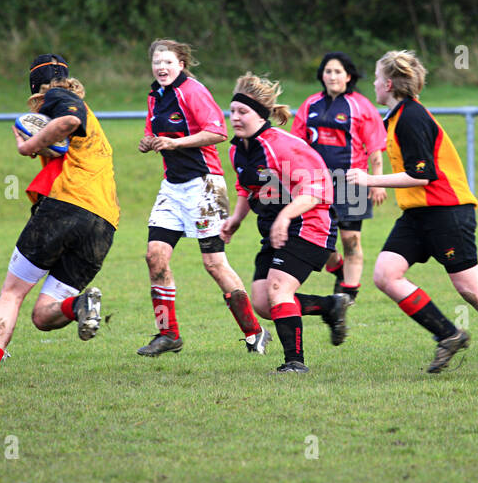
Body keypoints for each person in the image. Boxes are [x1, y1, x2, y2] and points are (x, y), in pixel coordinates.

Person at [347, 51, 478, 377]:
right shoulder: (395, 117)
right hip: (417, 214)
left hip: (447, 212)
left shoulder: (411, 117)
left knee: (470, 289)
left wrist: (370, 180)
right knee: (385, 274)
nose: (375, 84)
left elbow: (423, 175)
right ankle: (448, 334)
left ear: (390, 83)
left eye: (378, 78)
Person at [0, 54, 116, 385]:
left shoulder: (59, 98)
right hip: (103, 225)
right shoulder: (93, 124)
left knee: (12, 293)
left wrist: (27, 144)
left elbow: (66, 123)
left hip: (65, 208)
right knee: (44, 315)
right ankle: (80, 305)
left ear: (37, 89)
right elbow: (61, 142)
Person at [135, 39, 269, 357]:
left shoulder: (192, 91)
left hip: (206, 186)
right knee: (155, 256)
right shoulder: (156, 95)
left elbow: (219, 132)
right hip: (173, 186)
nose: (162, 67)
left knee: (214, 263)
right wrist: (149, 142)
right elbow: (155, 133)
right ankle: (168, 334)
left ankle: (255, 332)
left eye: (168, 61)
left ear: (182, 63)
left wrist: (176, 143)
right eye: (157, 62)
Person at [220, 73, 349, 373]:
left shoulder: (283, 146)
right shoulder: (237, 148)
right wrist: (236, 219)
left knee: (278, 288)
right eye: (233, 112)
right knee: (264, 304)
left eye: (243, 112)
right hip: (276, 230)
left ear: (261, 115)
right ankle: (330, 306)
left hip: (310, 224)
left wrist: (285, 215)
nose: (235, 118)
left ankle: (295, 362)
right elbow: (246, 188)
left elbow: (318, 190)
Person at [291, 52, 388, 302]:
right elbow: (297, 145)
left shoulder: (361, 106)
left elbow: (375, 149)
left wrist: (376, 182)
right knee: (319, 238)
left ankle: (347, 295)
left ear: (348, 76)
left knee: (350, 238)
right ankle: (338, 269)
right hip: (316, 182)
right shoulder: (310, 104)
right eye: (327, 71)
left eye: (337, 72)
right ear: (321, 75)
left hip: (351, 182)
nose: (332, 76)